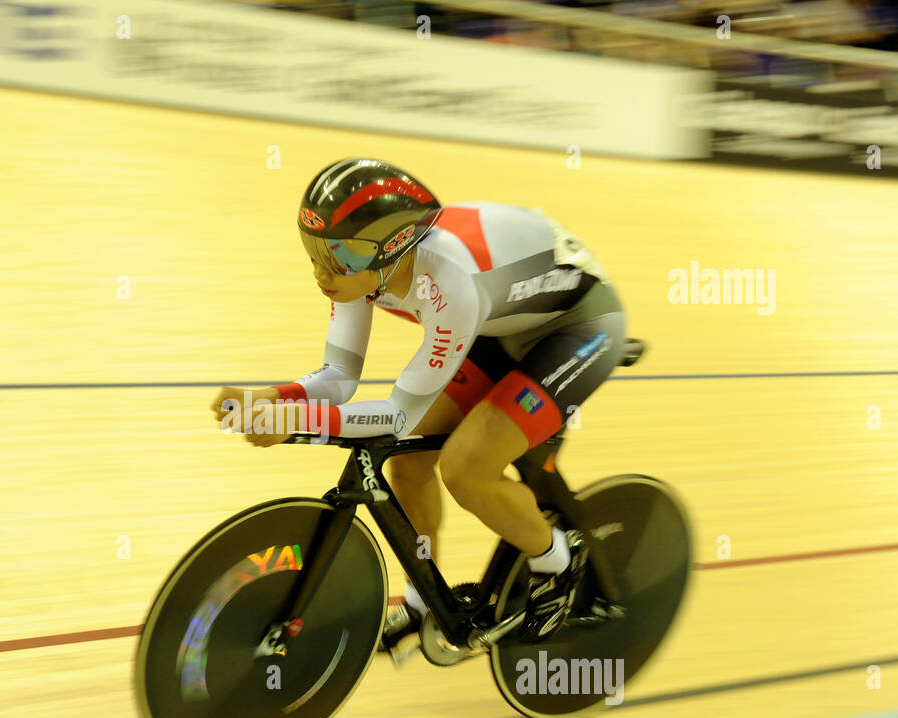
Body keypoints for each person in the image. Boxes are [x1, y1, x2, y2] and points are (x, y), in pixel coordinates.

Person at [210, 157, 626, 647]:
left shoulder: (447, 282)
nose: (323, 270)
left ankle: (557, 561)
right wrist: (277, 397)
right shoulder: (360, 270)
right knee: (408, 467)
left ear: (394, 248)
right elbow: (339, 376)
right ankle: (424, 598)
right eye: (315, 249)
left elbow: (397, 416)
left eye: (339, 254)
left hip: (577, 329)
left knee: (466, 468)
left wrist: (295, 418)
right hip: (502, 323)